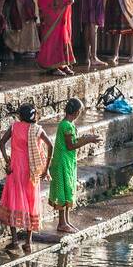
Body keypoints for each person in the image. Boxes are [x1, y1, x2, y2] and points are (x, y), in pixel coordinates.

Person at [0, 102, 52, 254]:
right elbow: (50, 146)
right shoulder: (37, 130)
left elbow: (1, 143)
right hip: (31, 170)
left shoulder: (15, 127)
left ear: (20, 116)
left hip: (15, 169)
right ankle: (28, 242)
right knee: (31, 202)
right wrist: (46, 168)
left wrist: (7, 160)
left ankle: (14, 240)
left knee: (12, 201)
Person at [48, 98, 102, 234]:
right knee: (63, 190)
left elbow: (72, 141)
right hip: (62, 162)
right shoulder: (66, 125)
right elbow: (70, 145)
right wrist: (88, 140)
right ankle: (61, 223)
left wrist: (85, 138)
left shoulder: (69, 125)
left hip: (68, 160)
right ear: (77, 112)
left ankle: (66, 221)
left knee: (68, 189)